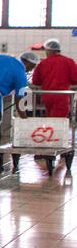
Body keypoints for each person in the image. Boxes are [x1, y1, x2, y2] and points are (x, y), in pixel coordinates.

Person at [27, 39, 77, 175]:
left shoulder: (43, 63)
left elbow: (36, 81)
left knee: (50, 121)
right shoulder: (68, 62)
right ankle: (58, 147)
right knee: (60, 121)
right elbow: (75, 79)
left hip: (47, 96)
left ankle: (52, 146)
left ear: (49, 50)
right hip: (62, 95)